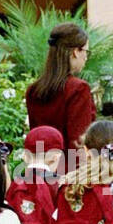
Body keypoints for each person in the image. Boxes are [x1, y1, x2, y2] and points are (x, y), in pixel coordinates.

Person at [25, 22, 95, 154]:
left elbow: (35, 136)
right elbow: (78, 143)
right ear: (75, 52)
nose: (86, 57)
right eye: (86, 51)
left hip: (40, 167)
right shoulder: (78, 89)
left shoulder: (33, 90)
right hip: (69, 170)